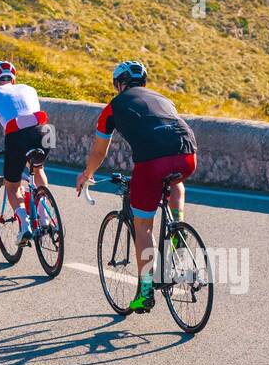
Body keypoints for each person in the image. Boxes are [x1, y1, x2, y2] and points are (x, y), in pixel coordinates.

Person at [75, 60, 197, 314]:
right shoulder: (163, 98)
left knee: (144, 226)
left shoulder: (113, 107)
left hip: (152, 161)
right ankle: (178, 228)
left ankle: (145, 292)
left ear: (119, 84)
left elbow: (99, 151)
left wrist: (87, 174)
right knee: (176, 180)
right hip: (187, 154)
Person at [0, 60, 52, 248]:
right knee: (38, 169)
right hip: (46, 130)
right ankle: (45, 215)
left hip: (17, 133)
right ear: (13, 78)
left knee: (12, 185)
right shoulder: (29, 88)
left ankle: (24, 225)